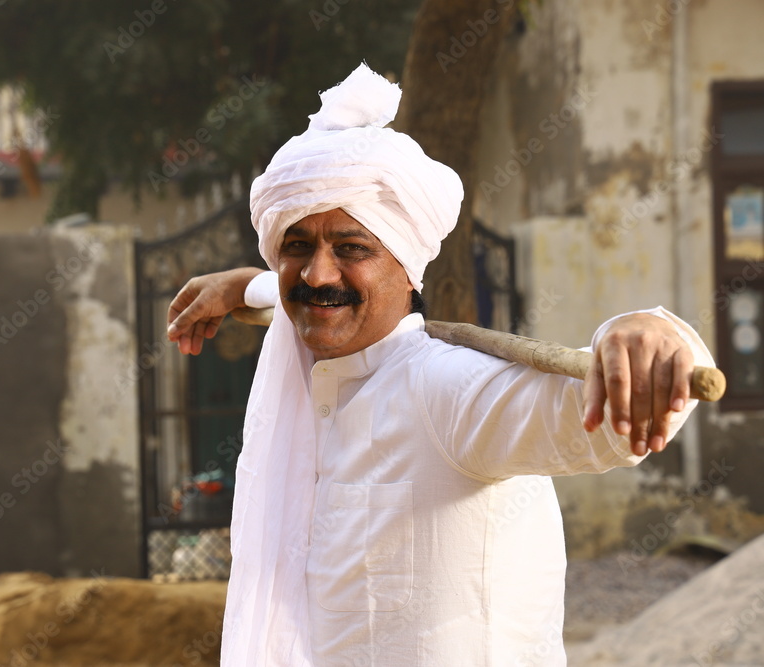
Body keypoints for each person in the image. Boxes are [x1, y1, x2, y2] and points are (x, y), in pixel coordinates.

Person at [166, 64, 714, 666]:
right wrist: (245, 286)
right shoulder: (308, 362)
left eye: (352, 249)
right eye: (297, 246)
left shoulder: (450, 390)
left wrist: (652, 336)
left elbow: (603, 423)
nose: (318, 274)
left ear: (406, 265)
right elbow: (285, 288)